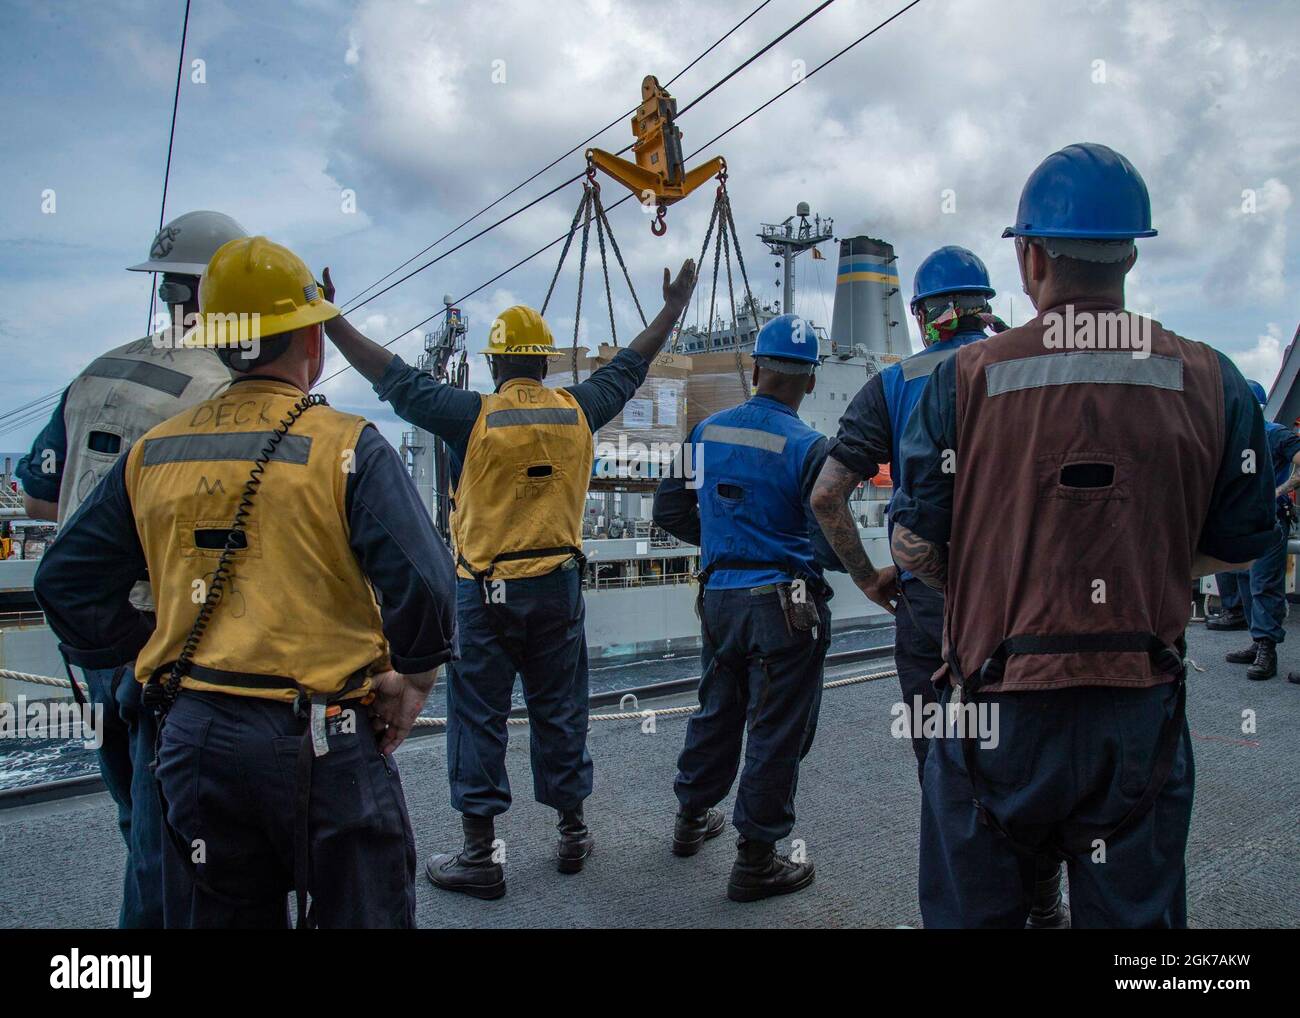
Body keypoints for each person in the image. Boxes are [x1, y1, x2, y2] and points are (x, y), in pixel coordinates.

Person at [888, 142, 1275, 928]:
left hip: (995, 707)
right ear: (1131, 254)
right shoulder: (1213, 377)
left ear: (1029, 258)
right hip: (1139, 705)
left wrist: (1003, 577)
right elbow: (1242, 543)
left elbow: (915, 545)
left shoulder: (966, 378)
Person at [35, 236, 457, 928]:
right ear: (312, 340)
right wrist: (410, 682)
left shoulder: (155, 452)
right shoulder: (347, 444)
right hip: (323, 739)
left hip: (193, 740)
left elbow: (64, 583)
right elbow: (427, 585)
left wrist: (152, 648)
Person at [321, 259, 696, 899]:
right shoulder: (580, 409)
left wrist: (332, 321)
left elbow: (395, 380)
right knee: (561, 711)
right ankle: (573, 835)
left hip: (484, 591)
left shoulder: (471, 415)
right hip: (558, 587)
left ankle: (479, 856)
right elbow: (631, 367)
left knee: (477, 718)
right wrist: (672, 307)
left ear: (497, 367)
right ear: (545, 366)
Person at [811, 247, 1067, 927]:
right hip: (1031, 597)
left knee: (945, 754)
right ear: (987, 303)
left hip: (932, 600)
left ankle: (977, 897)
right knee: (1036, 744)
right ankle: (1043, 893)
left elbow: (828, 498)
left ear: (923, 316)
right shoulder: (1031, 365)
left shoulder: (894, 383)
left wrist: (869, 579)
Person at [14, 209, 246, 928]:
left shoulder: (98, 370)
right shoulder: (222, 387)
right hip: (168, 627)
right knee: (173, 824)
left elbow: (37, 496)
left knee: (133, 798)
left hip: (91, 630)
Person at [653, 313, 874, 901]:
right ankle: (755, 861)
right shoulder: (810, 448)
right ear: (808, 382)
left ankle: (691, 819)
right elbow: (828, 542)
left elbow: (668, 512)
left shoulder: (704, 433)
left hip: (721, 597)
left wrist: (730, 542)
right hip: (786, 604)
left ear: (754, 370)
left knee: (717, 709)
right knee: (776, 729)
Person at [1211, 379, 1300, 680]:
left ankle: (1267, 650)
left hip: (1267, 521)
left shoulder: (1275, 435)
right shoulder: (1233, 438)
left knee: (1262, 583)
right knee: (1245, 580)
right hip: (1240, 522)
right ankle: (1256, 640)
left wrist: (1280, 490)